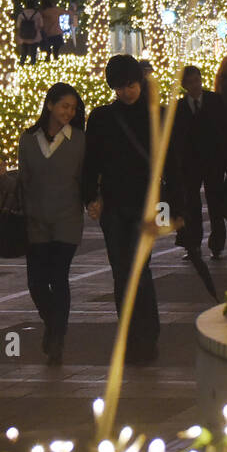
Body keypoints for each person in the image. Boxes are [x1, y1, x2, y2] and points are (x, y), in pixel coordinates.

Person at [82, 55, 182, 366]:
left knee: (140, 270)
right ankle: (130, 336)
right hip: (114, 205)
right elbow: (92, 161)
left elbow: (173, 166)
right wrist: (90, 197)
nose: (127, 92)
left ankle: (147, 339)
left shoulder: (158, 115)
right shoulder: (101, 118)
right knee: (121, 273)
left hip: (147, 206)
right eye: (120, 87)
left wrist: (173, 209)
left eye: (131, 84)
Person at [19, 83, 86, 366]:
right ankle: (53, 324)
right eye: (64, 106)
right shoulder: (28, 138)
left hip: (67, 218)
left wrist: (95, 199)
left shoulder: (80, 140)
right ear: (49, 105)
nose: (69, 112)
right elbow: (24, 179)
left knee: (58, 278)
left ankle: (57, 337)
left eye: (72, 108)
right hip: (36, 219)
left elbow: (88, 177)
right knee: (36, 282)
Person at [172, 65, 227, 259]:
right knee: (191, 205)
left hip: (213, 162)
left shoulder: (215, 101)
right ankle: (193, 245)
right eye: (190, 82)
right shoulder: (179, 107)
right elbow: (176, 138)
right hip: (190, 165)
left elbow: (225, 131)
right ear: (184, 85)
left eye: (197, 80)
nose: (195, 85)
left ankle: (217, 244)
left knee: (215, 203)